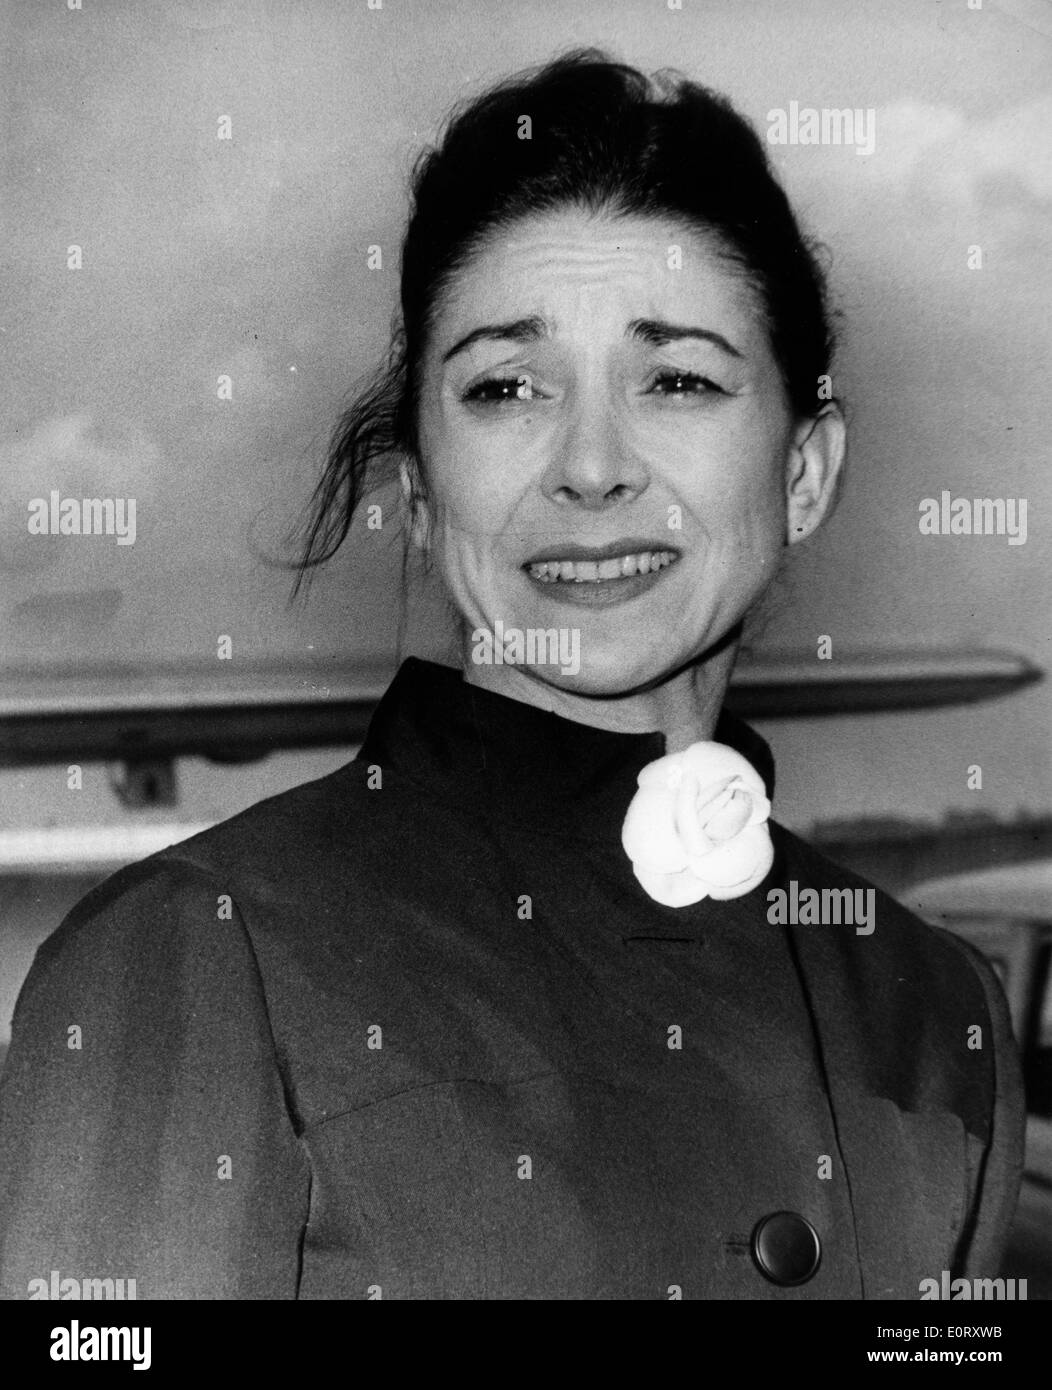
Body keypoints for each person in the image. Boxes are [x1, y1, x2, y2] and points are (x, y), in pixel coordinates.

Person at [0, 49, 1024, 1300]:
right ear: (423, 494)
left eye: (680, 378)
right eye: (505, 387)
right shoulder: (193, 960)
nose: (590, 466)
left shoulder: (932, 1010)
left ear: (803, 473)